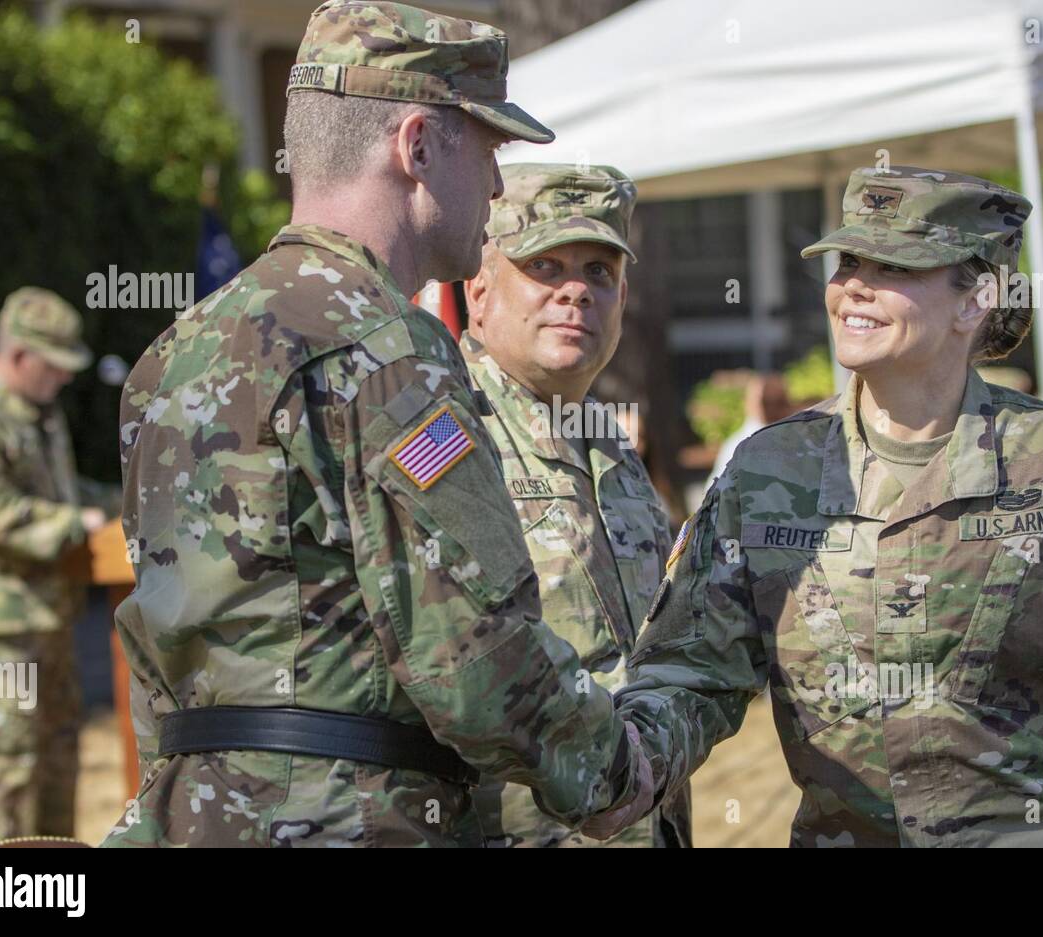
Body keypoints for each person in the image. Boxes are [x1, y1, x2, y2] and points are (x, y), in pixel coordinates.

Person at [103, 1, 650, 848]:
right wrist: (613, 770)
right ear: (418, 144)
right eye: (490, 148)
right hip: (352, 822)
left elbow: (156, 641)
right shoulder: (388, 346)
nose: (500, 186)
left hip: (191, 818)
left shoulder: (174, 350)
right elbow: (475, 657)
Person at [586, 166, 1043, 846]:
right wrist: (606, 765)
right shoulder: (768, 473)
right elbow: (692, 671)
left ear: (975, 299)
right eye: (849, 261)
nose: (854, 286)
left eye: (894, 265)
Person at [461, 162, 690, 846]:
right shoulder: (452, 438)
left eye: (599, 272)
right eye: (545, 265)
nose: (576, 292)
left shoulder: (611, 452)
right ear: (479, 294)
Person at [0, 287, 109, 845]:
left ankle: (49, 894)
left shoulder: (38, 413)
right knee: (3, 778)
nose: (62, 379)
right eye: (54, 367)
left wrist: (120, 501)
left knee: (57, 764)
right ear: (18, 356)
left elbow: (62, 493)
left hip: (48, 620)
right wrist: (77, 524)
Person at [707, 373, 795, 487]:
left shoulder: (799, 437)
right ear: (747, 403)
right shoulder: (738, 445)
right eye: (765, 402)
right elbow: (715, 494)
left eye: (777, 401)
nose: (770, 408)